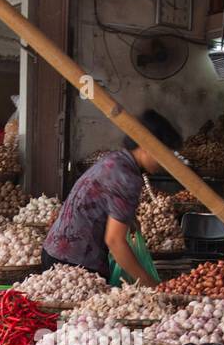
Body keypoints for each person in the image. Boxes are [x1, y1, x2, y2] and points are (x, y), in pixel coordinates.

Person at [42, 109, 183, 285]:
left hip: (55, 252)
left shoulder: (116, 160)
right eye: (165, 155)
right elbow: (115, 241)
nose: (166, 163)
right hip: (75, 266)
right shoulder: (128, 177)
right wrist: (151, 284)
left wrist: (128, 220)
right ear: (148, 147)